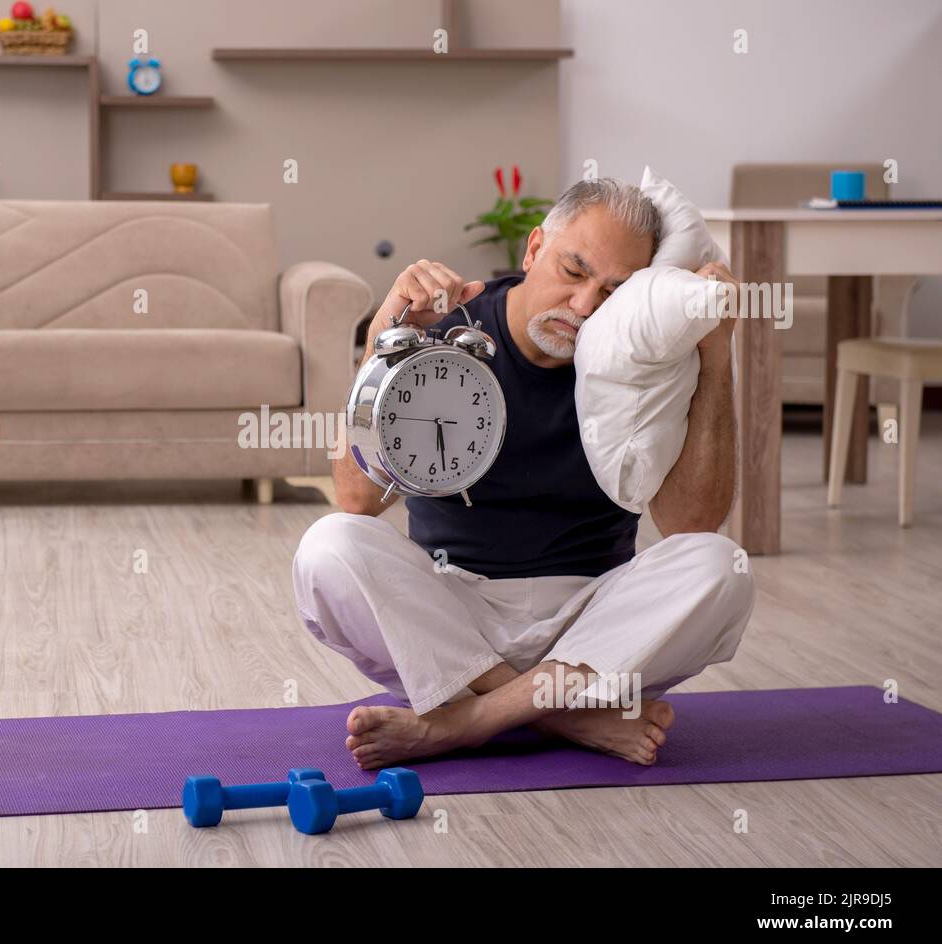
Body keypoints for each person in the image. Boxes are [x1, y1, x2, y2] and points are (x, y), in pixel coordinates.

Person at [292, 178, 755, 769]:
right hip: (454, 618)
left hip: (591, 627)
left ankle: (471, 720)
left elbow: (691, 523)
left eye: (613, 291)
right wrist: (386, 337)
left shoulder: (650, 359)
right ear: (533, 249)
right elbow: (356, 496)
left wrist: (716, 351)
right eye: (573, 270)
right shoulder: (450, 325)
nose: (584, 306)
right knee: (328, 546)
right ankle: (564, 716)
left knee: (721, 565)